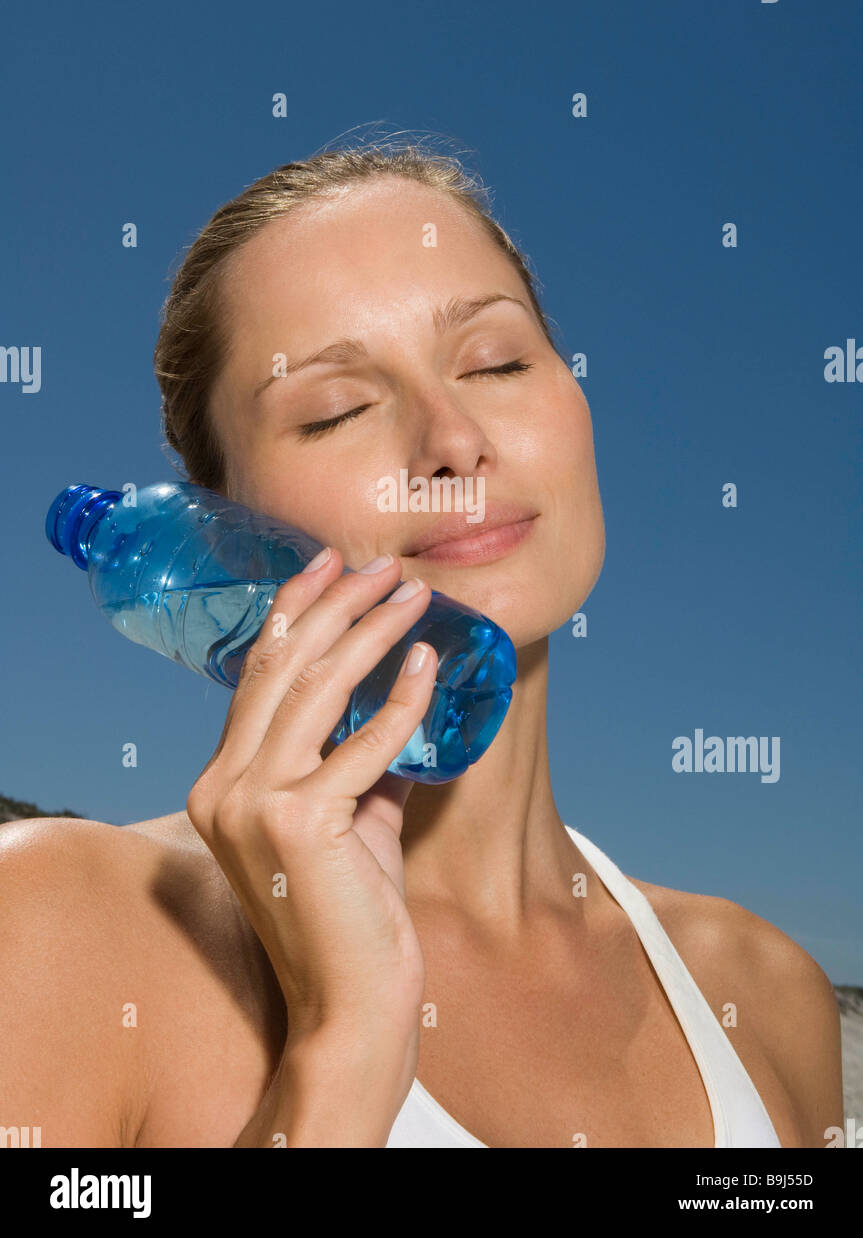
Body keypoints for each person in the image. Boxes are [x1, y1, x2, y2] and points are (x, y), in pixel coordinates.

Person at [0, 137, 843, 1148]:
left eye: (495, 361)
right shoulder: (55, 930)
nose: (450, 439)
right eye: (336, 409)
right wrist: (338, 1050)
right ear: (216, 530)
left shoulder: (761, 993)